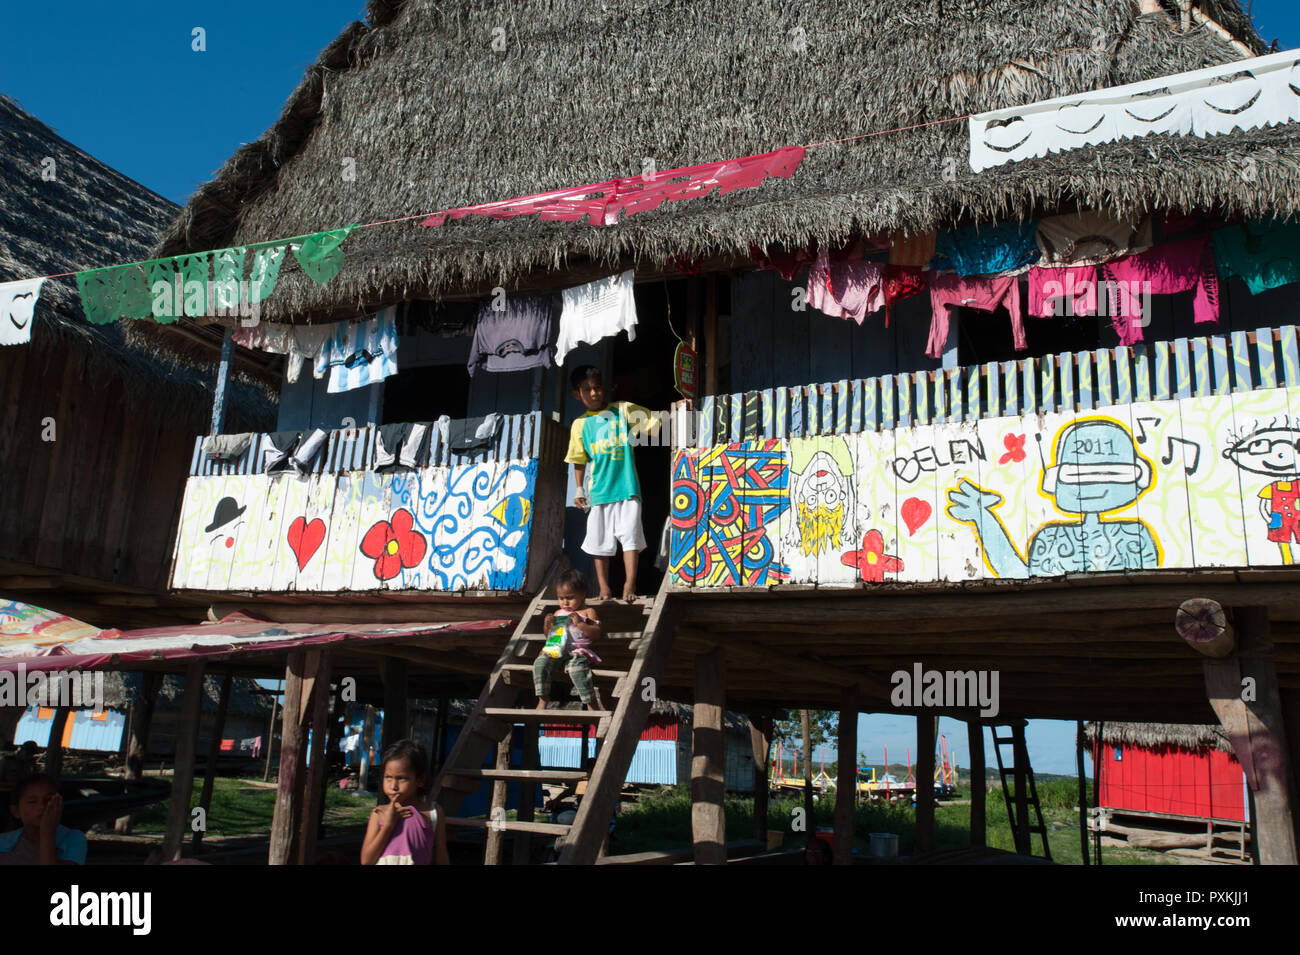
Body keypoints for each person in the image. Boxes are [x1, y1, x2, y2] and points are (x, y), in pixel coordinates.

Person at [565, 365, 661, 602]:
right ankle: (605, 588)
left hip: (627, 488)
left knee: (630, 537)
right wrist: (579, 489)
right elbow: (579, 460)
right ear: (577, 394)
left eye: (597, 387)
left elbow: (657, 423)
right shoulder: (580, 425)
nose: (594, 393)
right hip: (599, 492)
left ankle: (630, 584)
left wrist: (678, 414)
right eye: (587, 389)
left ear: (604, 388)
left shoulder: (623, 411)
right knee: (599, 542)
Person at [360, 740, 448, 865]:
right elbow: (366, 860)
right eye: (388, 777)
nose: (393, 786)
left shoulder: (433, 813)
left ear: (420, 780)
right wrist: (388, 825)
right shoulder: (379, 814)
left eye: (401, 778)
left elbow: (441, 856)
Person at [533, 569, 603, 711]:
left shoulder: (588, 612)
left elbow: (596, 633)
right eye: (561, 598)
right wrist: (547, 625)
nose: (565, 602)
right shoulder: (558, 613)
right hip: (557, 649)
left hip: (577, 652)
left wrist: (580, 624)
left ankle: (590, 701)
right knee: (540, 663)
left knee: (577, 670)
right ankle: (543, 698)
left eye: (570, 598)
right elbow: (550, 636)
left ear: (583, 595)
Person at [0, 774, 86, 865]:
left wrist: (48, 833)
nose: (42, 806)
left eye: (49, 800)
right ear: (16, 811)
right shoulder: (4, 842)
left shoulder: (73, 838)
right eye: (32, 802)